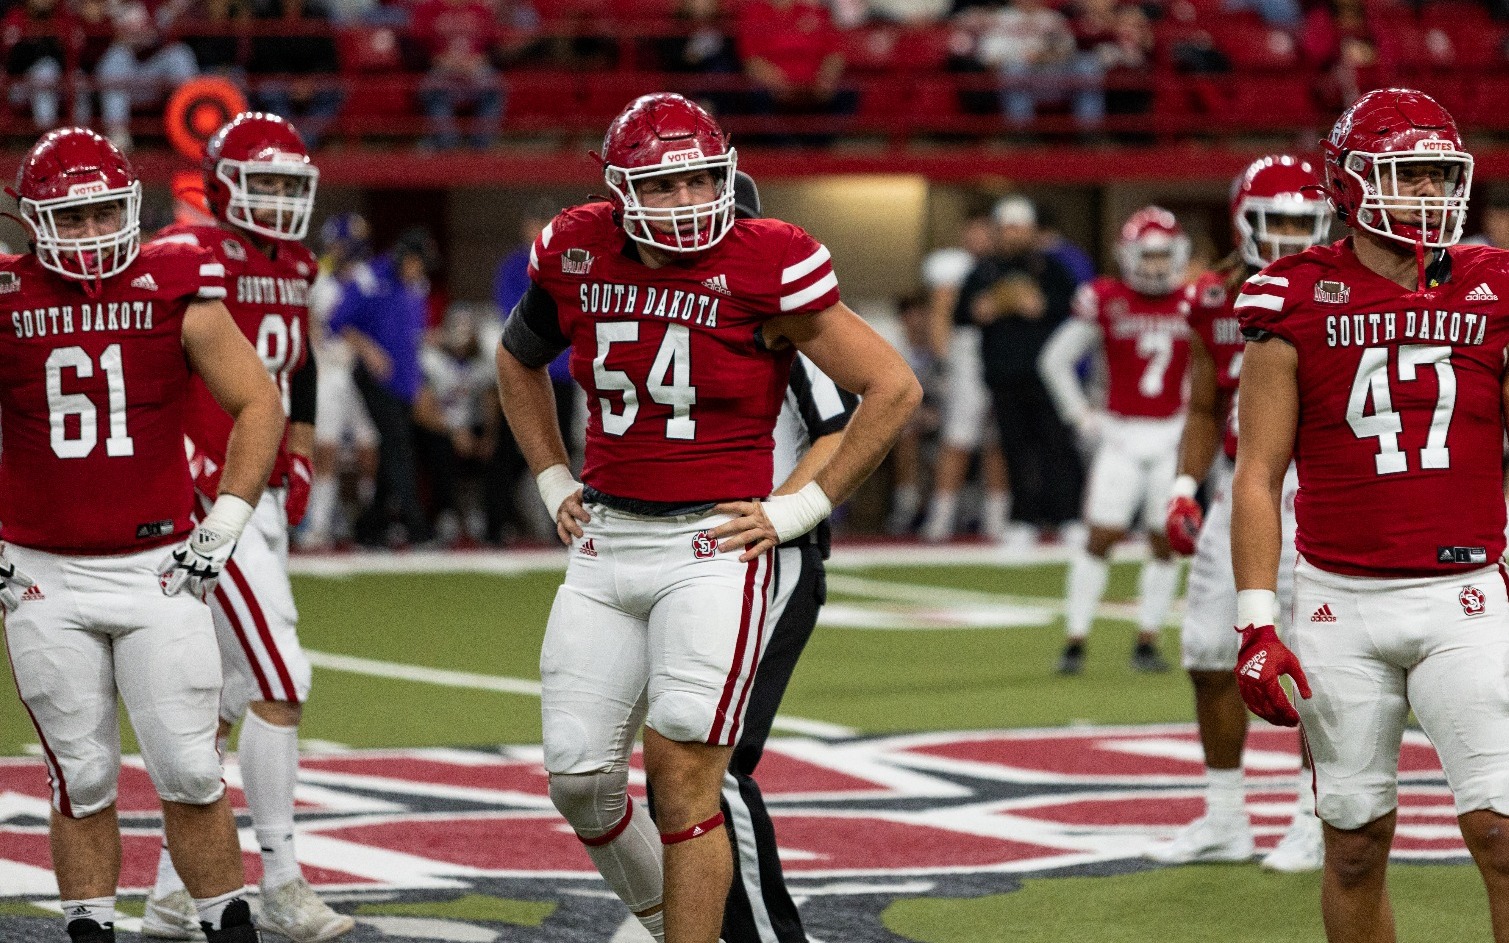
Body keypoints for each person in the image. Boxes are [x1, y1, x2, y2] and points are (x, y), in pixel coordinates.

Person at [494, 93, 920, 943]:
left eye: (699, 180)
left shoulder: (767, 258)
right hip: (605, 538)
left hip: (710, 546)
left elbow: (891, 387)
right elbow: (517, 360)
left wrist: (800, 506)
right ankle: (668, 923)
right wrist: (550, 475)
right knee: (577, 777)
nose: (688, 201)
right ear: (620, 192)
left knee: (685, 775)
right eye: (663, 186)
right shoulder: (576, 246)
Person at [1232, 88, 1509, 941]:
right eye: (1406, 173)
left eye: (1437, 175)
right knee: (1353, 845)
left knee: (1501, 832)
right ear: (1347, 181)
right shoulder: (1289, 296)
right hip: (1337, 602)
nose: (1426, 193)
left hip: (1465, 593)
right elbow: (1256, 474)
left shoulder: (1494, 286)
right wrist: (1254, 622)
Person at [0, 127, 285, 943]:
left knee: (192, 769)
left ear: (131, 207)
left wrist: (226, 519)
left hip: (159, 566)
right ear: (32, 221)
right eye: (72, 216)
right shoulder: (8, 297)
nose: (91, 232)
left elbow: (258, 402)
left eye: (103, 213)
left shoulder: (175, 283)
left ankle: (227, 926)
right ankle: (90, 928)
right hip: (42, 573)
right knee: (82, 777)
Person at [142, 113, 354, 943]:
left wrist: (296, 451)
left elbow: (292, 372)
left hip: (258, 486)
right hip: (211, 488)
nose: (276, 197)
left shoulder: (294, 262)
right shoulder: (184, 253)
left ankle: (172, 890)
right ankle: (281, 878)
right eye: (261, 181)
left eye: (286, 184)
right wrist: (183, 455)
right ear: (223, 185)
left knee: (229, 689)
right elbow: (147, 361)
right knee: (279, 677)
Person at [1145, 155, 1332, 871]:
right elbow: (1202, 404)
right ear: (1242, 223)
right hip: (1239, 482)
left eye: (1302, 222)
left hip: (1318, 483)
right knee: (1207, 650)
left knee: (1316, 657)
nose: (1289, 235)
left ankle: (1316, 815)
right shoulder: (1210, 299)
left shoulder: (1341, 292)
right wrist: (1183, 487)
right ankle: (1225, 816)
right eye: (1274, 220)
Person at [717, 170, 860, 943]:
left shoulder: (786, 326)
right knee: (664, 768)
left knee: (710, 764)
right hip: (681, 559)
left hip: (772, 556)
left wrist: (781, 513)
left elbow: (841, 428)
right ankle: (673, 916)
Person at [1039, 206, 1191, 674]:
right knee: (1101, 535)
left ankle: (1147, 640)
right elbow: (1055, 359)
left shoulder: (1193, 301)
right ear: (1128, 256)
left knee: (1166, 540)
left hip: (1173, 433)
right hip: (1122, 432)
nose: (1155, 265)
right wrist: (1080, 414)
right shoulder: (1106, 297)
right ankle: (1075, 638)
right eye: (1147, 256)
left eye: (1163, 255)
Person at [960, 195, 1083, 539]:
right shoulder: (983, 271)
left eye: (1020, 228)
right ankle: (1023, 519)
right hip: (1004, 377)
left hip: (1049, 377)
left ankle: (1068, 516)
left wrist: (1043, 305)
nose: (1014, 235)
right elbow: (962, 314)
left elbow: (1075, 308)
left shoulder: (1051, 268)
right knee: (1015, 450)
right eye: (1008, 228)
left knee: (1057, 447)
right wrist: (981, 308)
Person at [330, 227, 438, 546]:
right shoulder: (369, 278)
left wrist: (418, 383)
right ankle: (416, 525)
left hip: (404, 380)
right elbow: (337, 321)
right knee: (398, 447)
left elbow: (414, 337)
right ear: (407, 258)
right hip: (375, 378)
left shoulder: (416, 285)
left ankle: (370, 526)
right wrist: (368, 350)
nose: (421, 270)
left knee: (394, 449)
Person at [912, 211, 1011, 543]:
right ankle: (940, 518)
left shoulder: (1004, 266)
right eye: (973, 230)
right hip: (966, 355)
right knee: (958, 438)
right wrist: (943, 363)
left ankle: (997, 518)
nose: (978, 237)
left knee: (997, 440)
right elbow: (941, 316)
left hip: (1001, 354)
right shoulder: (952, 266)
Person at [301, 212, 379, 549]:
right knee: (326, 448)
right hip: (330, 370)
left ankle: (367, 522)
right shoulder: (321, 277)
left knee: (369, 448)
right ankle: (320, 524)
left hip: (359, 372)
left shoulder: (366, 277)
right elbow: (309, 321)